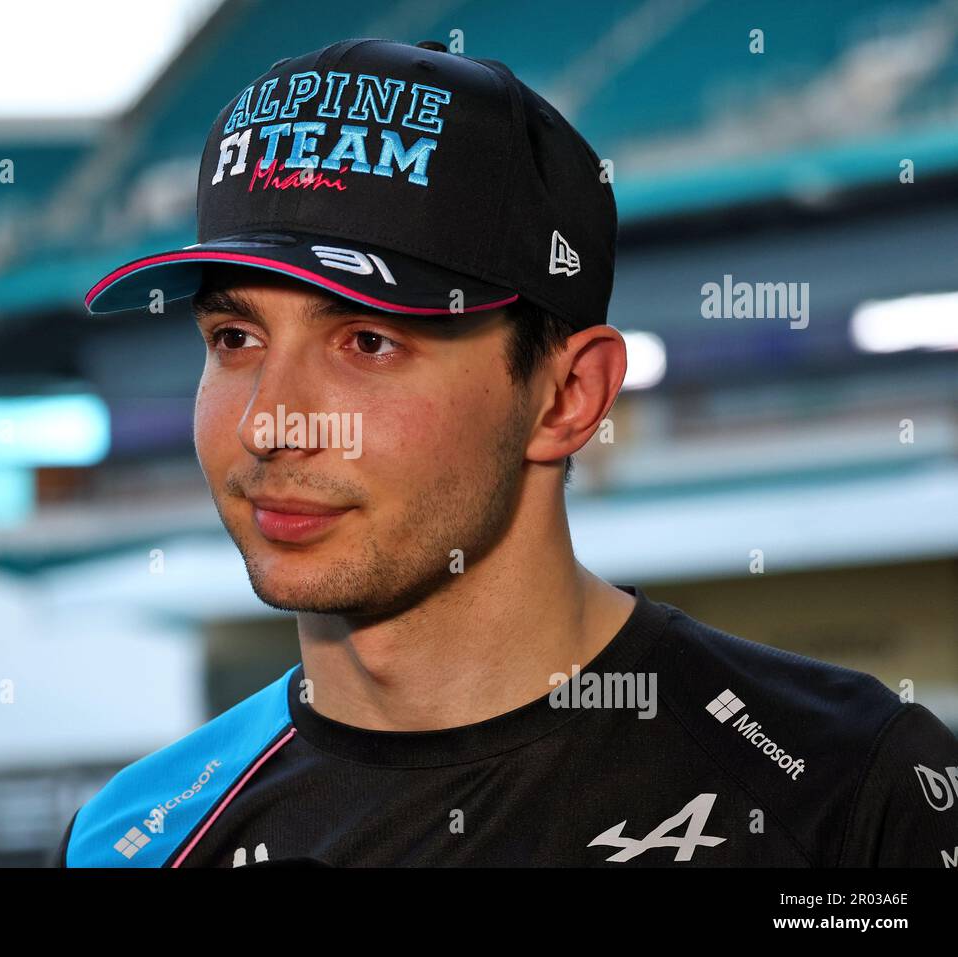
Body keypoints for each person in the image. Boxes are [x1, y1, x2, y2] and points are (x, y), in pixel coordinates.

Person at [56, 38, 958, 866]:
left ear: (568, 397)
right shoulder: (129, 837)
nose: (271, 423)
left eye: (368, 342)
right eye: (233, 339)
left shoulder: (850, 797)